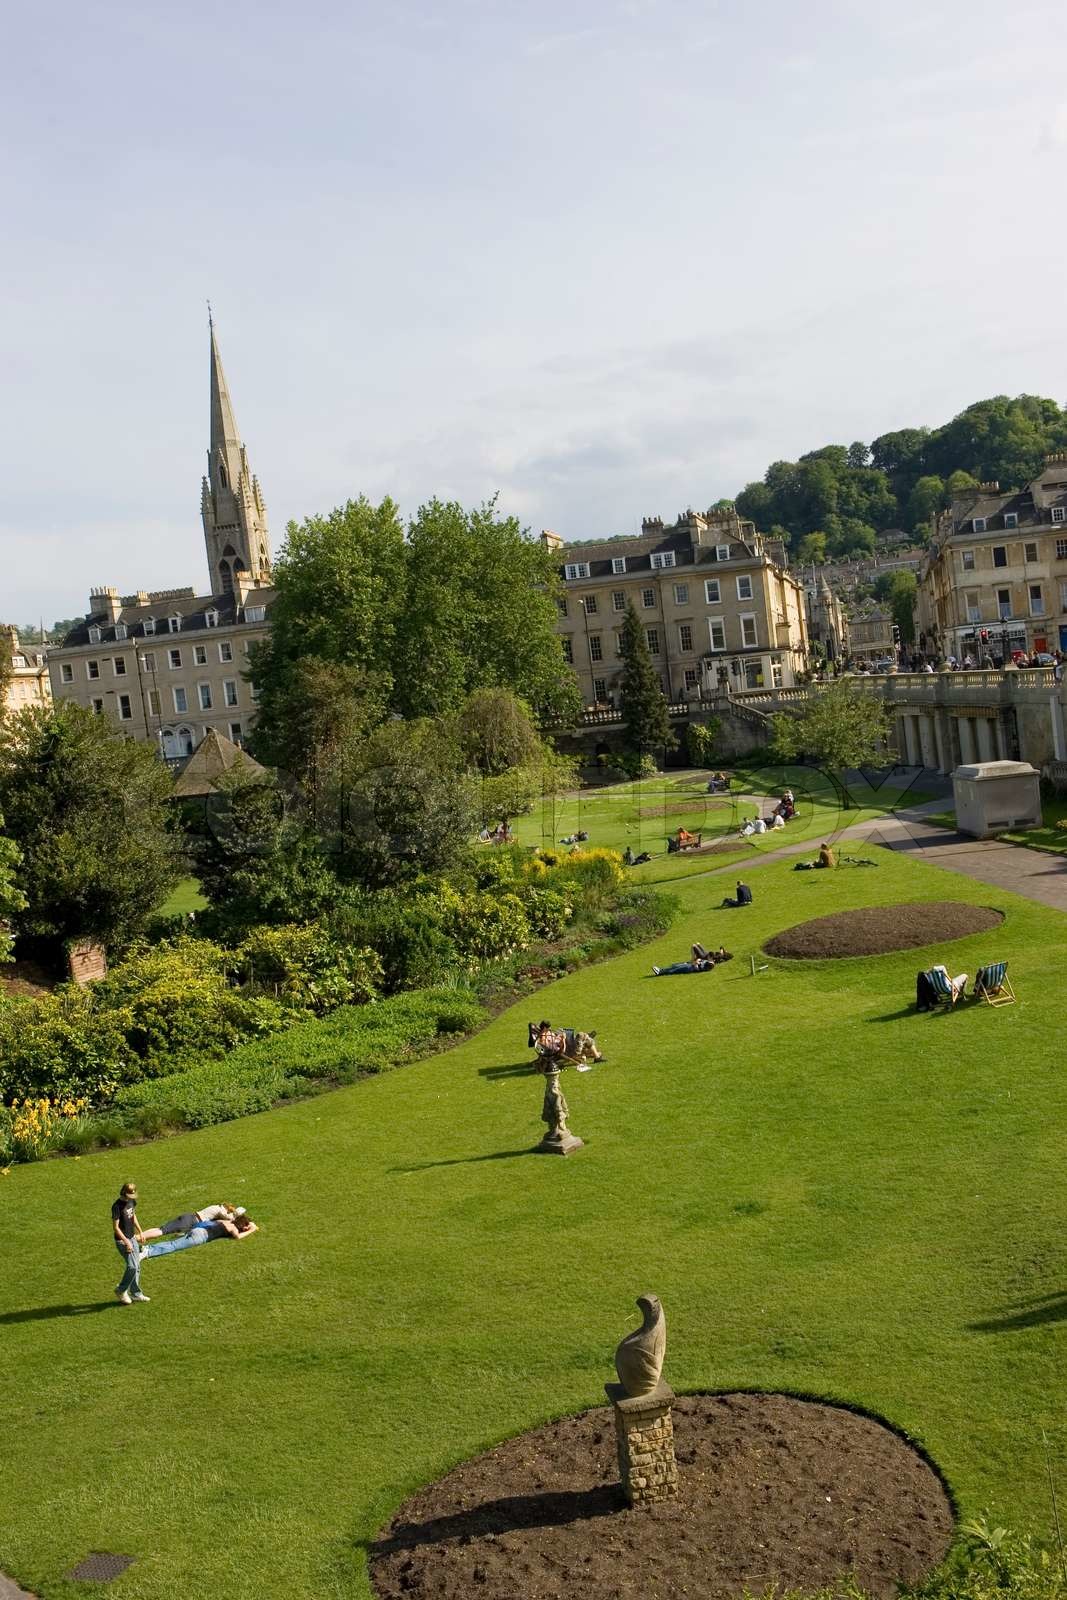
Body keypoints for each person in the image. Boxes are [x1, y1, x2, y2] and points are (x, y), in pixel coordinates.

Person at [141, 1212, 258, 1261]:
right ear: (243, 1225)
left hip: (198, 1229)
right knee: (174, 1246)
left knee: (174, 1243)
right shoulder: (233, 1228)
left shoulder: (226, 1222)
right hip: (201, 1236)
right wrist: (251, 1230)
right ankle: (148, 1251)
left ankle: (148, 1249)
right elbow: (237, 1237)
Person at [112, 1181, 149, 1304]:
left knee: (137, 1265)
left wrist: (140, 1231)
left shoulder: (131, 1201)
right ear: (124, 1192)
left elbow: (133, 1215)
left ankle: (136, 1294)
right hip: (123, 1241)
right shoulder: (116, 1206)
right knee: (132, 1266)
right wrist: (126, 1242)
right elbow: (116, 1228)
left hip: (132, 1237)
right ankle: (121, 1290)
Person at [141, 1203, 238, 1241]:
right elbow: (228, 1218)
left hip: (188, 1217)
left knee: (161, 1229)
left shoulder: (215, 1206)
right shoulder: (220, 1210)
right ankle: (137, 1239)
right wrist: (235, 1214)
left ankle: (140, 1236)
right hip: (190, 1222)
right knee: (161, 1232)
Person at [652, 945, 731, 976]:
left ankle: (660, 972)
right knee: (675, 966)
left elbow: (698, 969)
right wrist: (698, 960)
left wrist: (696, 963)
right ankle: (661, 970)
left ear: (711, 958)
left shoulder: (710, 965)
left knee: (675, 970)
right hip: (690, 964)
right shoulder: (709, 961)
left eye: (708, 957)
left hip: (690, 968)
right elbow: (701, 961)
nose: (707, 958)